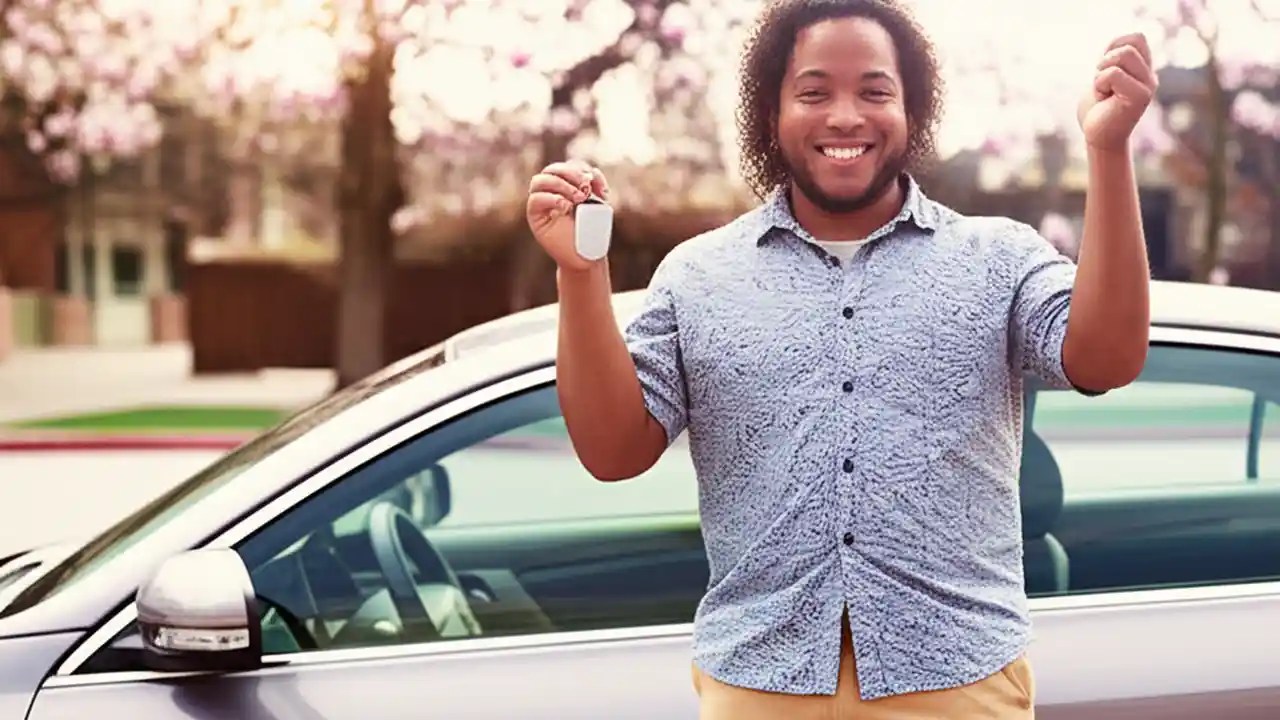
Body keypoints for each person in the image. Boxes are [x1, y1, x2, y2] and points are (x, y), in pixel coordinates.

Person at [524, 0, 1153, 716]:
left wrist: (1107, 151)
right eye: (814, 92)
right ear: (771, 116)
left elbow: (1106, 359)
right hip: (759, 685)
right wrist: (581, 274)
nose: (846, 116)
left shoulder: (997, 258)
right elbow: (612, 451)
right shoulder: (697, 277)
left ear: (913, 112)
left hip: (956, 684)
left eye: (876, 91)